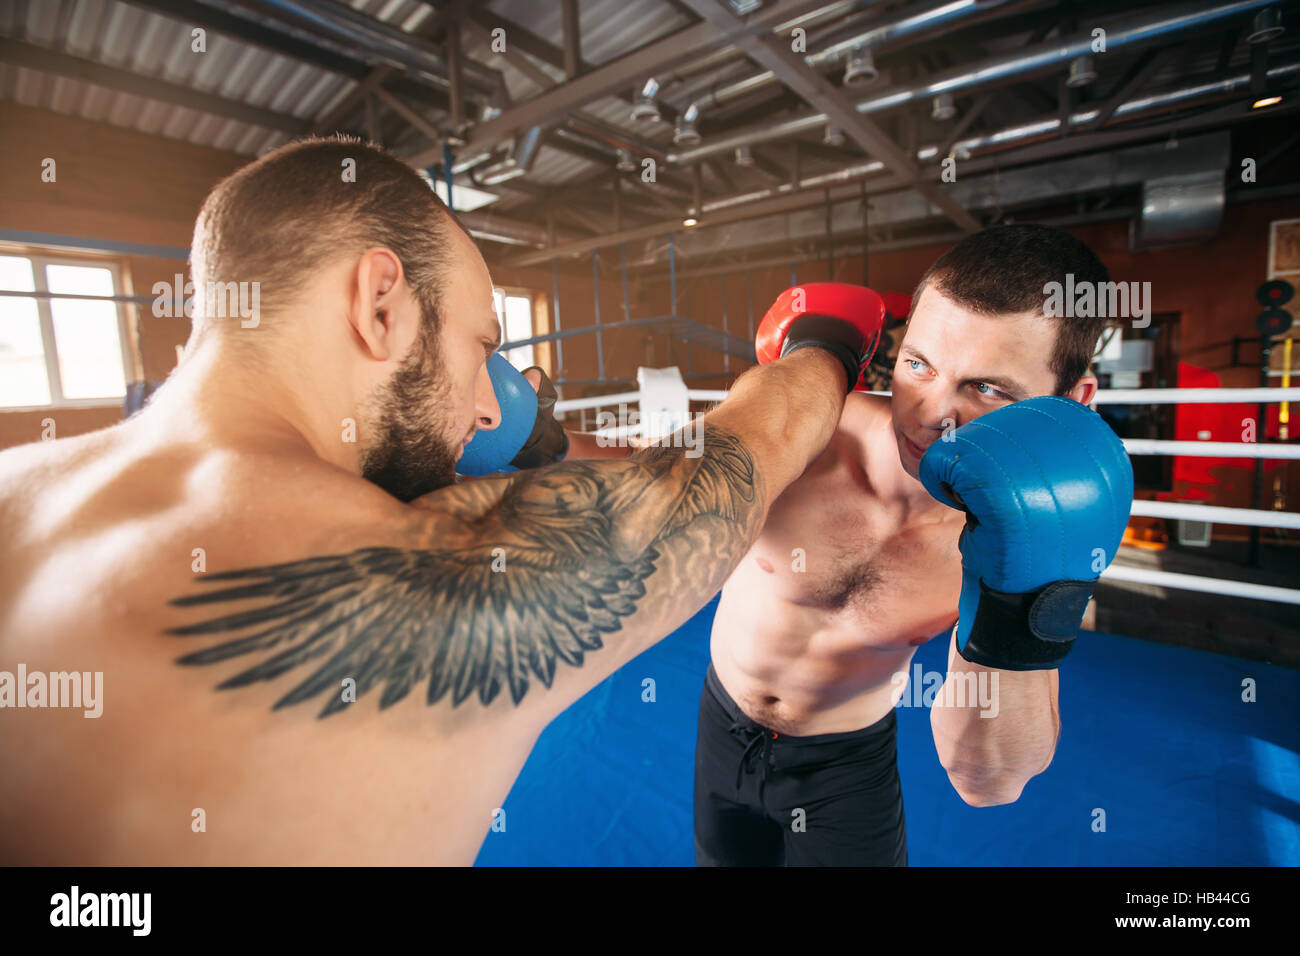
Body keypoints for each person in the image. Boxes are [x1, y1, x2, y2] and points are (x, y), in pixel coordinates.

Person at [0, 135, 884, 865]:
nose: (488, 404)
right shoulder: (425, 577)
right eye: (478, 343)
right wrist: (826, 341)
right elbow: (743, 455)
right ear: (380, 302)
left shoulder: (19, 486)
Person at [694, 224, 1133, 866]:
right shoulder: (808, 430)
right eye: (918, 364)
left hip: (846, 764)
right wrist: (538, 439)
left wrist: (1018, 601)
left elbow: (988, 781)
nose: (931, 413)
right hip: (718, 723)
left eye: (987, 388)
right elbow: (649, 484)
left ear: (1070, 405)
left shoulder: (1042, 532)